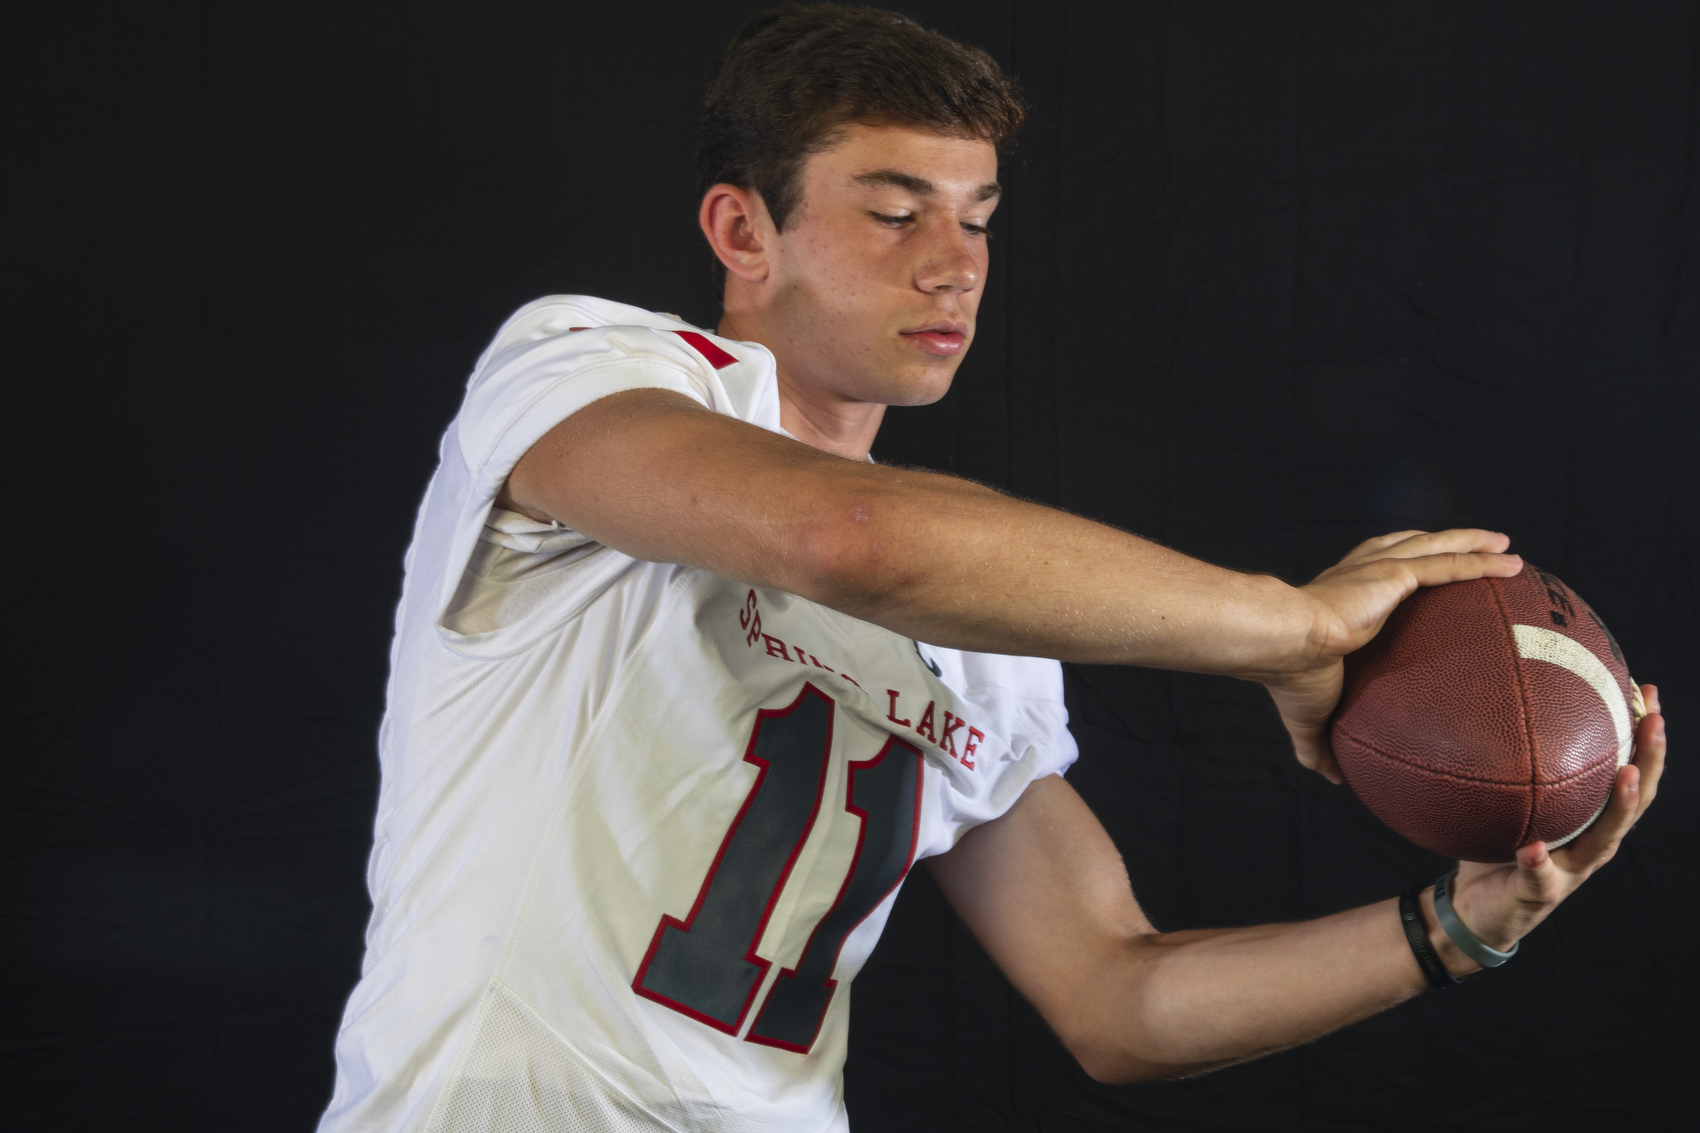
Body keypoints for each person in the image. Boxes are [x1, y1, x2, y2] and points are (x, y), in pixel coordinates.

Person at [318, 6, 1666, 1131]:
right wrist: (1291, 628)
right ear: (742, 234)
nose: (954, 266)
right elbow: (846, 540)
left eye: (978, 219)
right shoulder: (586, 370)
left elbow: (1118, 997)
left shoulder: (983, 623)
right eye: (895, 213)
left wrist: (1457, 925)